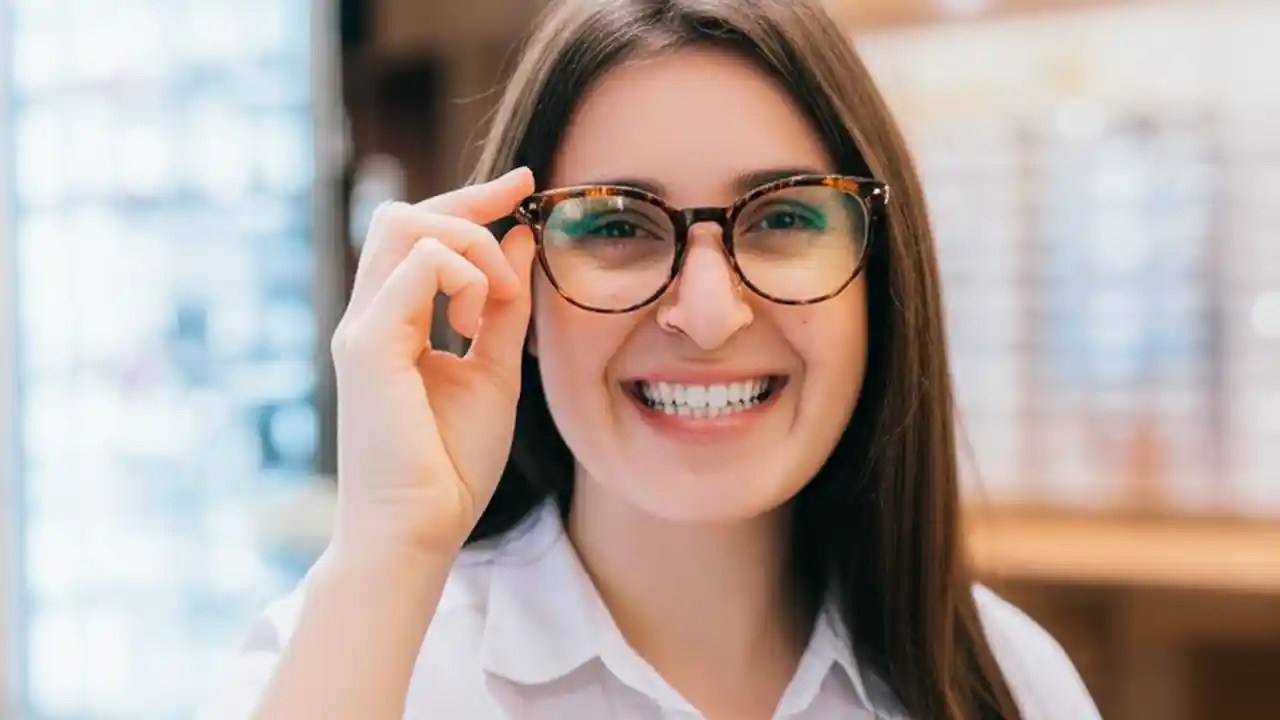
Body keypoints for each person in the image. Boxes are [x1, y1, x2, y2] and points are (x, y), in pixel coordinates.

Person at [206, 1, 1101, 718]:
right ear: (515, 284)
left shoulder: (1009, 684)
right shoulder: (355, 665)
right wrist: (390, 543)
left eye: (784, 218)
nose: (707, 316)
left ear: (882, 283)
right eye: (618, 226)